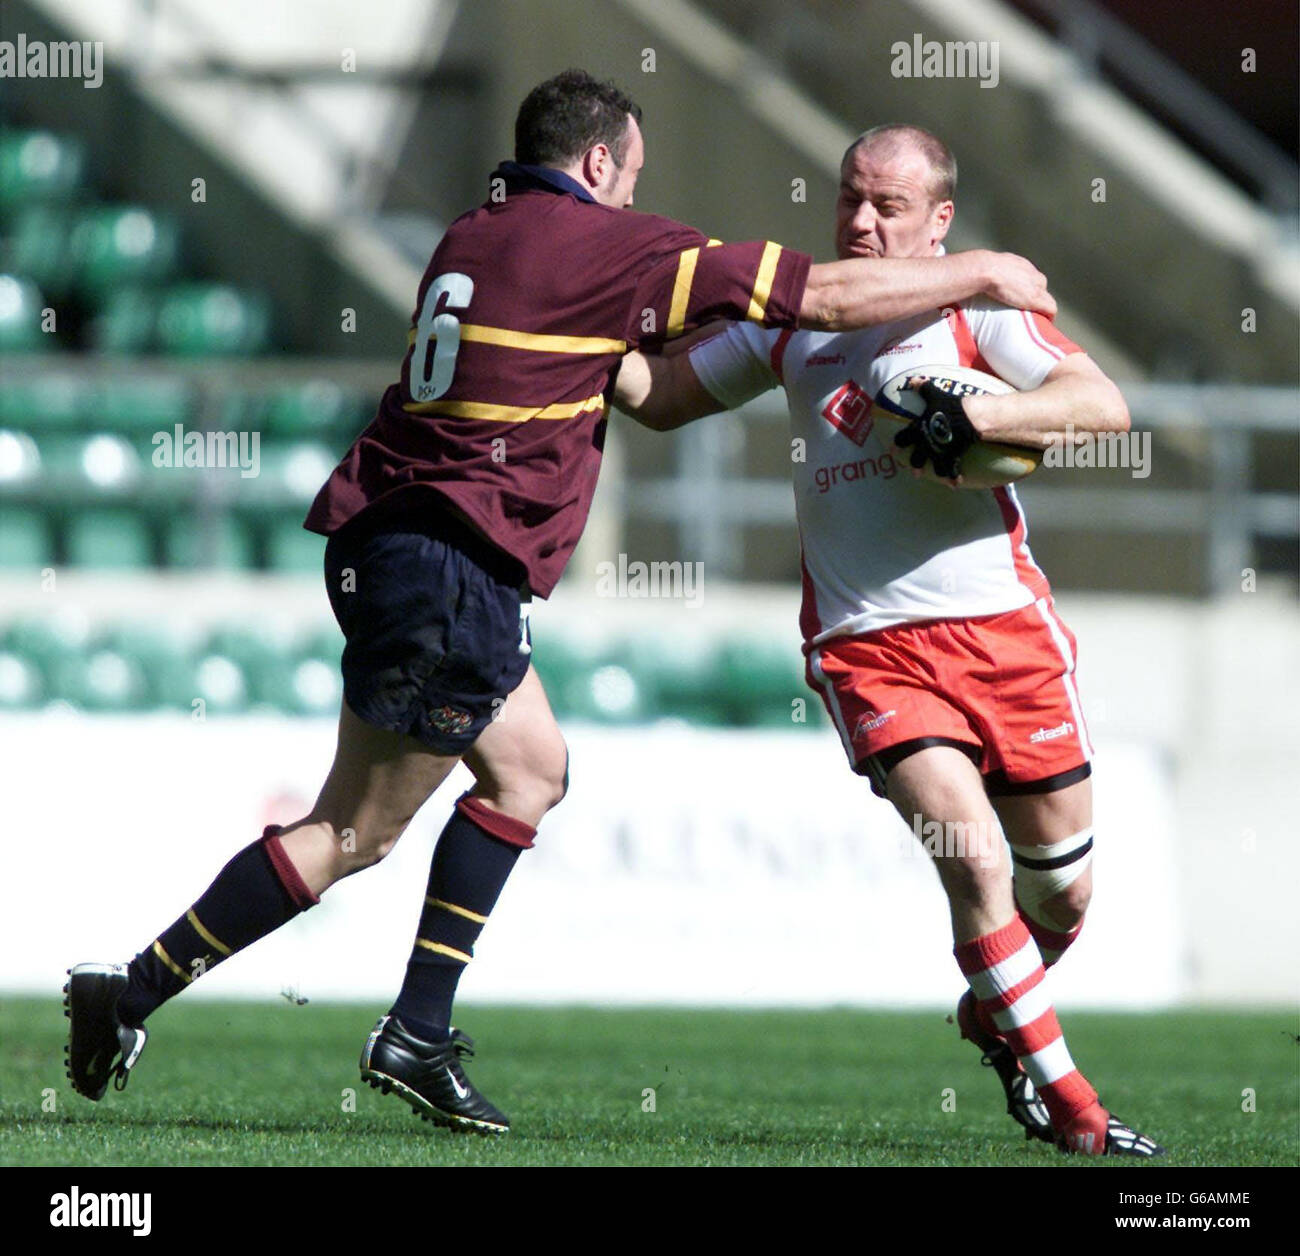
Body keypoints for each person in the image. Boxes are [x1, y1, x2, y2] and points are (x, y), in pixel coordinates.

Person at [65, 77, 1056, 1137]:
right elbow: (817, 296)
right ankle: (143, 993)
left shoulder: (473, 234)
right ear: (595, 166)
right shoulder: (606, 244)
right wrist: (984, 268)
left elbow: (623, 371)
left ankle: (407, 1026)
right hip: (452, 558)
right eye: (629, 172)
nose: (637, 192)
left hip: (391, 542)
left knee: (529, 768)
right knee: (351, 831)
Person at [613, 123, 1163, 1157]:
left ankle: (994, 1009)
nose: (860, 222)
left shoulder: (974, 310)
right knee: (974, 860)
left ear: (939, 222)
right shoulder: (797, 322)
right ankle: (1071, 1103)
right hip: (870, 641)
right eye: (849, 199)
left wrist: (990, 415)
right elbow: (664, 395)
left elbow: (1102, 403)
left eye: (888, 206)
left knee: (1066, 889)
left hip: (1005, 631)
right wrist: (572, 333)